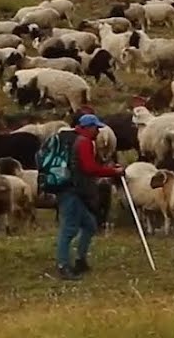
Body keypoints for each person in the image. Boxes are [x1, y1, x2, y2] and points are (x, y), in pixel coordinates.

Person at [52, 114, 123, 280]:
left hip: (74, 189)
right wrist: (112, 171)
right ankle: (63, 266)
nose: (98, 131)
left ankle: (80, 260)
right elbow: (90, 168)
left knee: (90, 225)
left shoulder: (74, 139)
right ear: (88, 127)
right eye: (96, 128)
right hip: (72, 191)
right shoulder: (84, 142)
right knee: (69, 229)